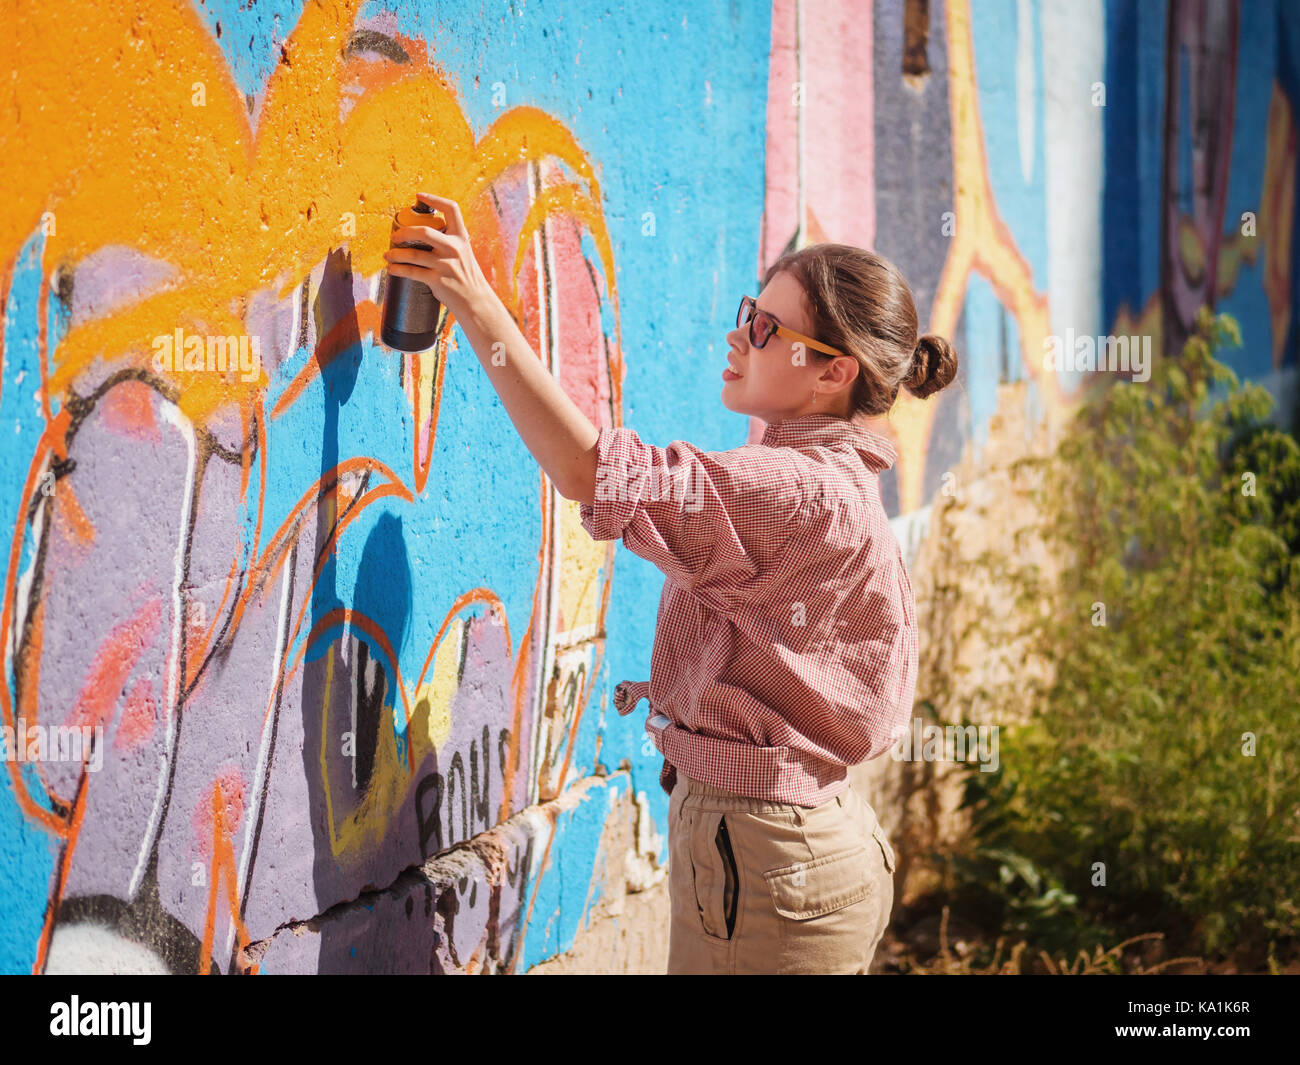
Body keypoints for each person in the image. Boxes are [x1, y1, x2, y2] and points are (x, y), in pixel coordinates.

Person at [383, 193, 959, 974]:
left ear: (833, 373)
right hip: (788, 852)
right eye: (750, 310)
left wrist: (475, 300)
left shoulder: (794, 490)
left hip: (767, 868)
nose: (739, 335)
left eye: (766, 329)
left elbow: (595, 472)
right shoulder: (827, 480)